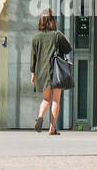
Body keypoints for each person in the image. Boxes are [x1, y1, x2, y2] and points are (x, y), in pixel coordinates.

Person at [30, 8, 71, 136]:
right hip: (56, 72)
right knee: (55, 100)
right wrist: (63, 37)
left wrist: (33, 74)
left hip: (41, 72)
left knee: (46, 99)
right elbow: (68, 49)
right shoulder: (57, 35)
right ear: (52, 21)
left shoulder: (36, 38)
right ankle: (52, 128)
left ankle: (40, 116)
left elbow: (33, 58)